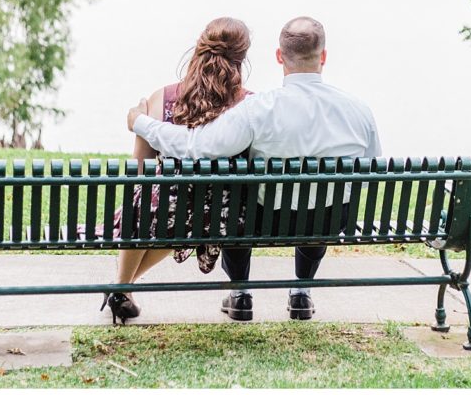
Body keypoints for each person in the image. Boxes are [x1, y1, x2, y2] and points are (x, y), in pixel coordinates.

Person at [128, 16, 382, 321]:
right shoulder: (359, 111)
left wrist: (141, 123)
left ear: (279, 56)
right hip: (329, 221)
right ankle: (301, 290)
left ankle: (241, 292)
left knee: (238, 201)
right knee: (319, 210)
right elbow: (368, 178)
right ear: (324, 56)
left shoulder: (259, 109)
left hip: (265, 222)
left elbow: (196, 146)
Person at [100, 16, 253, 324]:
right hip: (220, 213)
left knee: (155, 204)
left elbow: (140, 167)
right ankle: (121, 288)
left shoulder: (163, 98)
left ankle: (122, 286)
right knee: (183, 211)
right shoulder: (249, 104)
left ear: (199, 48)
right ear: (242, 58)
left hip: (165, 208)